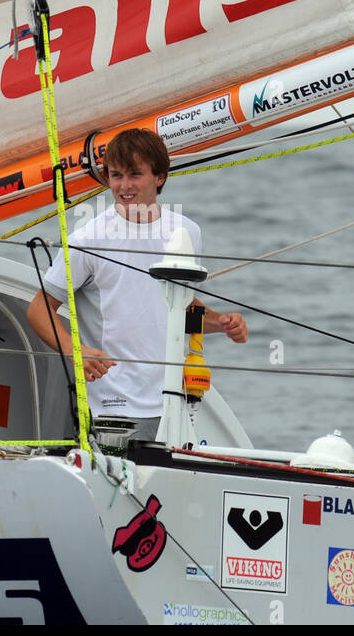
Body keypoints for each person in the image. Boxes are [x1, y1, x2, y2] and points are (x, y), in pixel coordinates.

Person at [26, 129, 247, 442]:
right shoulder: (87, 239)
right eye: (116, 175)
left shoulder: (186, 231)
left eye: (135, 174)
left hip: (173, 401)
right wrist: (78, 352)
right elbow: (39, 309)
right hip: (113, 408)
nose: (124, 186)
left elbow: (180, 309)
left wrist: (222, 324)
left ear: (159, 177)